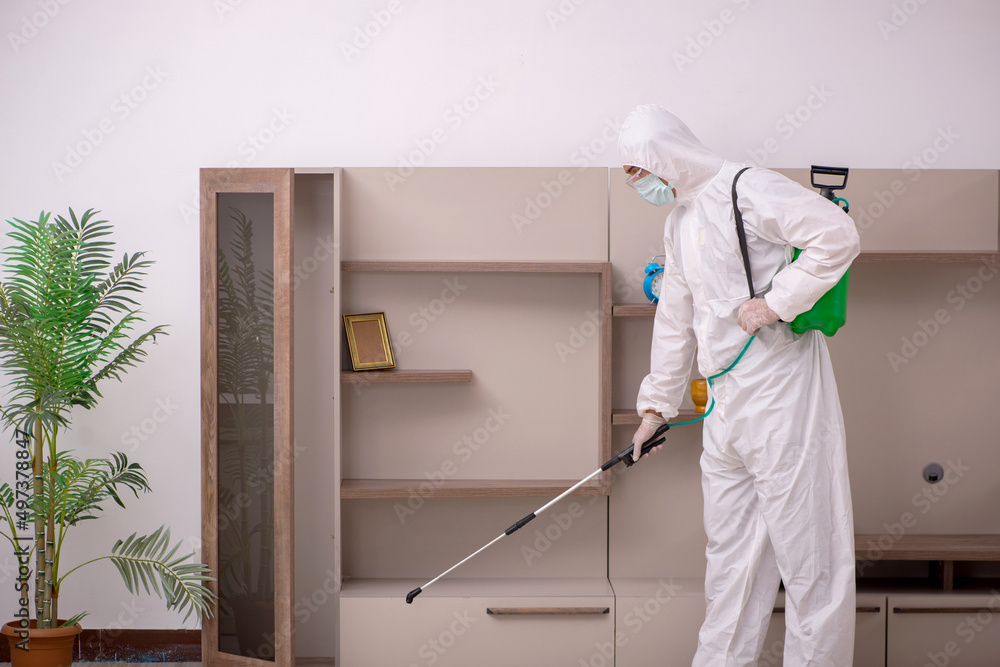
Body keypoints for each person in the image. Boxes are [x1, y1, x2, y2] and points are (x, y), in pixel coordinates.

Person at [619, 104, 859, 666]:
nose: (639, 184)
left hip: (783, 400)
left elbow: (837, 234)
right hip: (724, 409)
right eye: (630, 176)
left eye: (640, 171)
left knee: (811, 561)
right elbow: (674, 319)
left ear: (666, 155)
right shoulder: (679, 220)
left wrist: (775, 303)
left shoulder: (748, 189)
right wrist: (655, 407)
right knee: (731, 565)